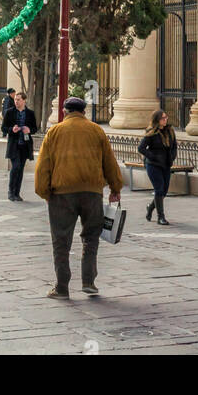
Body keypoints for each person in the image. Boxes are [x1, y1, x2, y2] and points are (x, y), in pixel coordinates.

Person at [34, 95, 123, 299]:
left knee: (61, 240)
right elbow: (109, 161)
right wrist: (115, 187)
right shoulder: (96, 130)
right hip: (92, 193)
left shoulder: (54, 131)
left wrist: (44, 192)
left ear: (65, 112)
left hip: (62, 194)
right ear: (84, 112)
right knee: (91, 238)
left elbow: (43, 166)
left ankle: (62, 286)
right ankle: (88, 281)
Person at [138, 110, 177, 226]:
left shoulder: (170, 131)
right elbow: (141, 148)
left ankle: (150, 208)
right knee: (159, 189)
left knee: (164, 191)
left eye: (166, 117)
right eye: (163, 118)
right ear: (157, 120)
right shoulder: (152, 133)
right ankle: (161, 217)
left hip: (166, 164)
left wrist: (172, 156)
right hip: (153, 165)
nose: (165, 119)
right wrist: (153, 157)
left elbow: (174, 145)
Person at [1, 92, 37, 201]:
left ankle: (17, 193)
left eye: (18, 99)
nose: (16, 101)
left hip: (25, 145)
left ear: (24, 100)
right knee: (15, 166)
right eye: (15, 99)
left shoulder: (30, 113)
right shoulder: (9, 112)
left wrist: (29, 130)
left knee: (20, 169)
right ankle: (11, 192)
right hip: (14, 145)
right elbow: (3, 128)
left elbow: (35, 128)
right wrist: (11, 129)